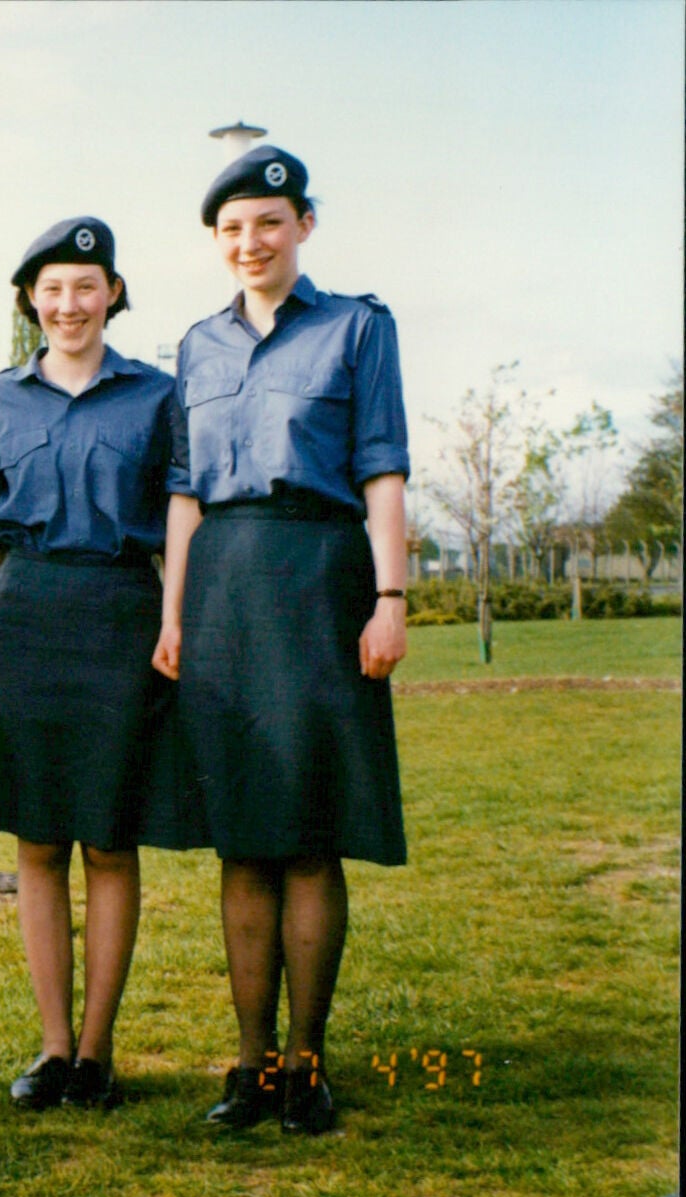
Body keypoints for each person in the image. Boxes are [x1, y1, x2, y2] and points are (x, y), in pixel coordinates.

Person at [155, 146, 410, 1136]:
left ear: (302, 224)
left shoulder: (355, 327)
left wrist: (388, 595)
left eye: (266, 222)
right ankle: (249, 1063)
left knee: (307, 833)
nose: (248, 243)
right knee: (243, 839)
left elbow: (382, 467)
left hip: (316, 580)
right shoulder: (195, 345)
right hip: (219, 588)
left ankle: (307, 1064)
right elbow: (181, 491)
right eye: (230, 229)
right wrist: (173, 613)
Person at [0, 218, 202, 1112]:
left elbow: (181, 517)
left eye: (88, 287)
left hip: (120, 616)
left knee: (110, 839)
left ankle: (99, 1051)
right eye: (53, 289)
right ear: (31, 300)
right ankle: (52, 1048)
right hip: (26, 617)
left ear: (114, 296)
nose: (70, 305)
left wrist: (174, 623)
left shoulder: (159, 396)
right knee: (39, 841)